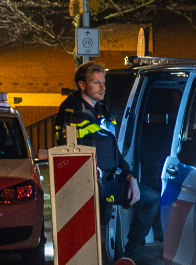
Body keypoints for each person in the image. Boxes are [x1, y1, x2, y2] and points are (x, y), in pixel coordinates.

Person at [54, 63, 149, 242]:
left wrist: (129, 177)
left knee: (149, 198)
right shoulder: (72, 112)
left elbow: (113, 148)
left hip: (109, 180)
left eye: (103, 82)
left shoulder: (101, 109)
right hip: (88, 185)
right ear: (82, 85)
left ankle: (131, 255)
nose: (103, 87)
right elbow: (67, 152)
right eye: (96, 82)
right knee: (91, 240)